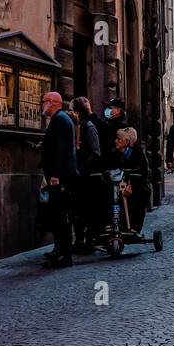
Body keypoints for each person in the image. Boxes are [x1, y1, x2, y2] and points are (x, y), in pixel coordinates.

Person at [39, 90, 78, 267]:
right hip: (60, 175)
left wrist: (55, 175)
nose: (42, 104)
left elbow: (61, 150)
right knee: (57, 216)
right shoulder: (60, 119)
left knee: (61, 216)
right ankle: (60, 251)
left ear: (53, 103)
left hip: (60, 177)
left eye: (44, 101)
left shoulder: (60, 120)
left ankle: (64, 255)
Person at [71, 96, 102, 252]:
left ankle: (89, 239)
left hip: (87, 176)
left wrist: (82, 168)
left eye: (73, 110)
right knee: (77, 209)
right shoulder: (78, 127)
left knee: (87, 208)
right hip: (78, 175)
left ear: (78, 112)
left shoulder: (89, 127)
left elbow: (95, 152)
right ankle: (80, 240)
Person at [106, 126, 151, 235]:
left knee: (138, 195)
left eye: (118, 139)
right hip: (117, 184)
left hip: (136, 185)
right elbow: (108, 168)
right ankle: (111, 223)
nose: (115, 141)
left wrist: (131, 184)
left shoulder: (138, 154)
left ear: (126, 141)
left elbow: (143, 173)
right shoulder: (114, 154)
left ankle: (134, 226)